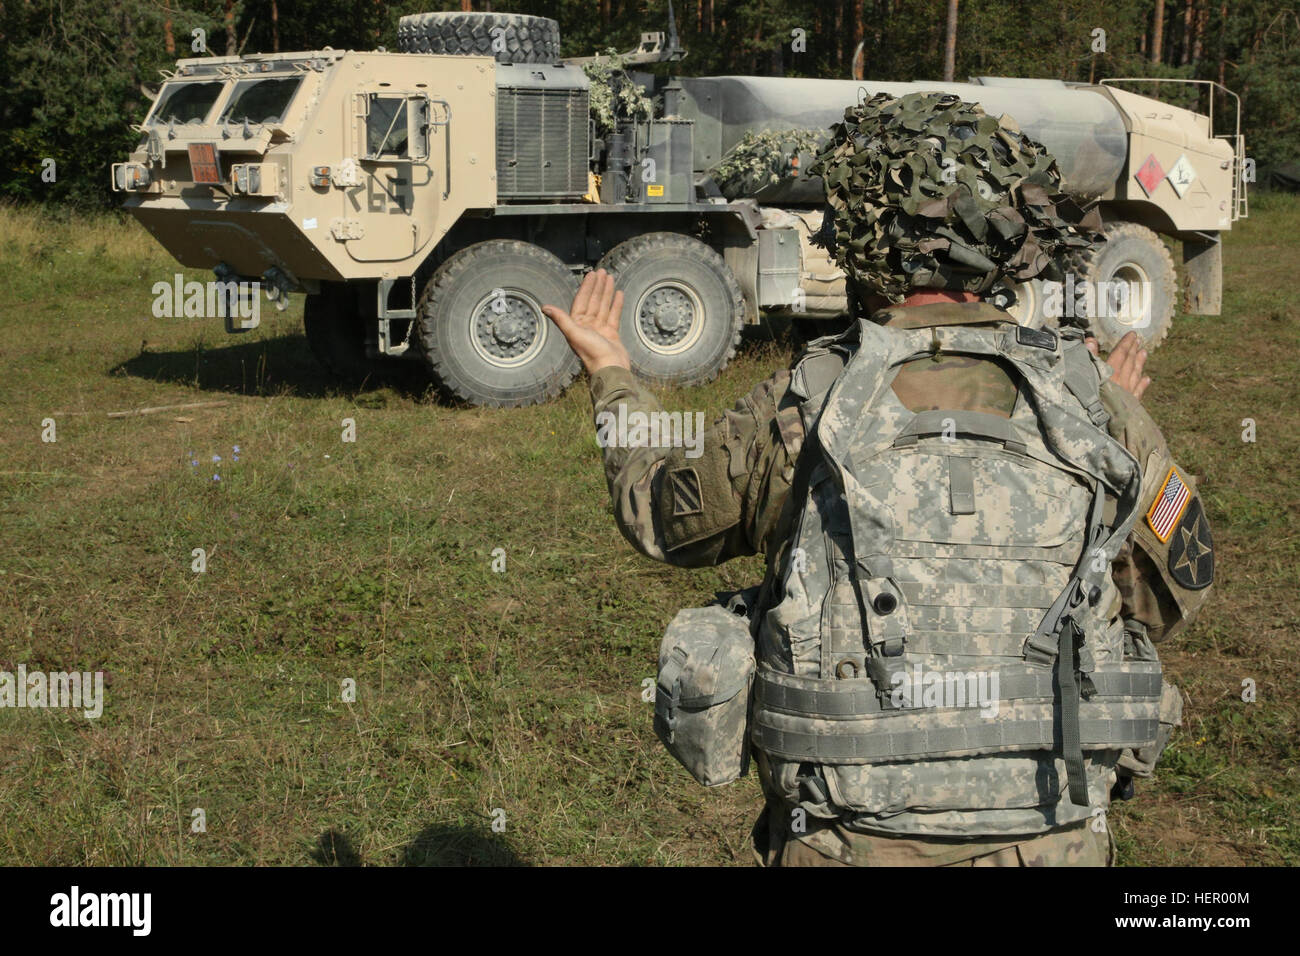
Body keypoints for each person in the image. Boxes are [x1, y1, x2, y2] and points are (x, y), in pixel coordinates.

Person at [542, 92, 1213, 867]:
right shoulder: (1091, 407)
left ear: (859, 238)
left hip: (845, 842)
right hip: (1049, 836)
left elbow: (662, 516)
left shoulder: (806, 403)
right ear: (1008, 235)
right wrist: (1115, 423)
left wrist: (613, 372)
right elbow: (1167, 600)